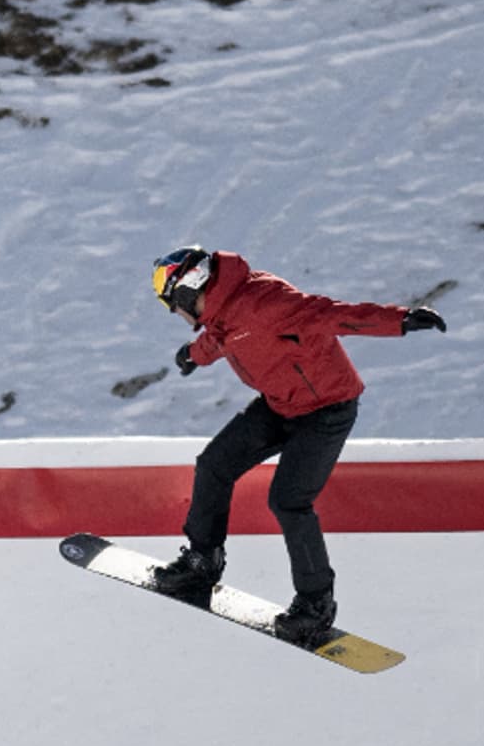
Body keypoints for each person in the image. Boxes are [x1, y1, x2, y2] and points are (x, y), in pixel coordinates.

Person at [147, 246, 446, 643]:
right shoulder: (222, 312)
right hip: (280, 405)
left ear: (189, 289)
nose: (176, 314)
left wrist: (401, 319)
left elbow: (331, 314)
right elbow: (218, 340)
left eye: (172, 304)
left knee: (289, 501)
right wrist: (192, 356)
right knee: (214, 465)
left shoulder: (266, 302)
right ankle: (203, 561)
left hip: (326, 411)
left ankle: (315, 604)